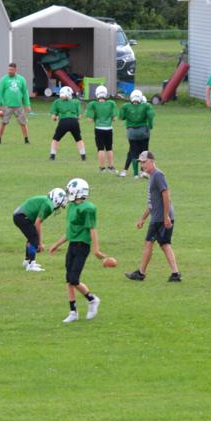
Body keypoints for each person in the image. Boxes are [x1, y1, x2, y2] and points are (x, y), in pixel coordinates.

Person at [43, 177, 107, 323]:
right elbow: (71, 231)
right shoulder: (72, 207)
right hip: (72, 245)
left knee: (74, 279)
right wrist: (56, 244)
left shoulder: (87, 209)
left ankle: (92, 299)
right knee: (68, 280)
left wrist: (96, 250)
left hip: (82, 247)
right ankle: (73, 312)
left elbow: (92, 230)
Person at [125, 150, 180, 283]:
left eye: (144, 162)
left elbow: (166, 195)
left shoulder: (158, 175)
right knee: (164, 244)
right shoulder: (152, 177)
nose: (142, 165)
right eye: (141, 163)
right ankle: (175, 274)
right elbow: (152, 203)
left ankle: (141, 273)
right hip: (159, 216)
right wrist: (143, 218)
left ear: (152, 161)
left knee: (149, 242)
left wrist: (166, 216)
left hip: (161, 218)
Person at [13, 185, 67, 272]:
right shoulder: (48, 205)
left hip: (19, 215)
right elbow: (38, 223)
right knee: (34, 238)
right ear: (57, 200)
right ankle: (31, 264)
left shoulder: (46, 200)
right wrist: (40, 242)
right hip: (21, 216)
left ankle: (27, 261)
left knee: (32, 237)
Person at [85, 86, 122, 177]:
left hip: (98, 128)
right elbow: (114, 118)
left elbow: (89, 119)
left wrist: (96, 118)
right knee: (109, 148)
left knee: (100, 148)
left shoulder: (93, 104)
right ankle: (111, 167)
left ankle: (102, 168)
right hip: (108, 128)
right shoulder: (111, 103)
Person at [0, 62, 31, 144]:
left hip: (19, 106)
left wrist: (27, 105)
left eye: (11, 70)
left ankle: (26, 139)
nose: (9, 71)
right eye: (8, 69)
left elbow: (25, 93)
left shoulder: (21, 79)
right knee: (3, 122)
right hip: (7, 106)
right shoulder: (3, 80)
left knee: (23, 123)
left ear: (15, 70)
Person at [47, 85, 86, 162]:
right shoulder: (76, 102)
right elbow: (79, 116)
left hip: (63, 122)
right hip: (74, 122)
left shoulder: (57, 102)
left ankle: (52, 156)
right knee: (78, 139)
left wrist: (58, 117)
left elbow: (53, 117)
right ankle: (83, 156)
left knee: (56, 139)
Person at [121, 90, 155, 177]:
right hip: (143, 131)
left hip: (131, 132)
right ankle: (144, 172)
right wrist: (150, 126)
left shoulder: (126, 106)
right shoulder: (146, 106)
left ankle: (135, 174)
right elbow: (151, 116)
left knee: (133, 153)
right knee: (144, 152)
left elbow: (121, 116)